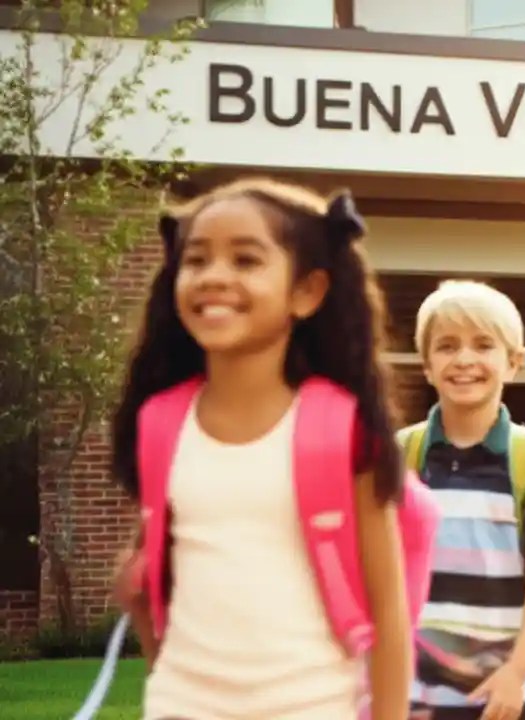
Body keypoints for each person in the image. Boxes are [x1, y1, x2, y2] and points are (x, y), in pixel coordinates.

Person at [107, 178, 413, 719]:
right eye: (196, 260)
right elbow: (158, 592)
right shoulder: (160, 422)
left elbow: (390, 613)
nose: (214, 277)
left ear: (307, 291)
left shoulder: (338, 427)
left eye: (246, 260)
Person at [405, 279, 525, 720]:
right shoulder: (398, 457)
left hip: (498, 692)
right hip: (408, 689)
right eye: (447, 346)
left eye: (483, 345)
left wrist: (516, 672)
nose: (464, 359)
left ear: (514, 362)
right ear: (426, 365)